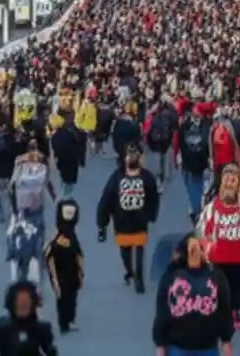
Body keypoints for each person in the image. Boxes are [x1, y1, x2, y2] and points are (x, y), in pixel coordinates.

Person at [197, 162, 240, 331]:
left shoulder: (236, 205)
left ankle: (230, 311)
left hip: (231, 255)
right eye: (226, 180)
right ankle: (227, 311)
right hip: (227, 255)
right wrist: (204, 247)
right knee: (226, 284)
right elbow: (201, 228)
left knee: (230, 283)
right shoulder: (217, 206)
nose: (228, 184)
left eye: (232, 181)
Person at [152, 233, 235, 356]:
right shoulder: (171, 278)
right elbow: (163, 312)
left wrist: (226, 340)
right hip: (186, 345)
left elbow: (224, 312)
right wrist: (160, 343)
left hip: (198, 346)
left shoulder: (216, 277)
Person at [97, 143, 160, 294]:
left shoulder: (118, 177)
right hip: (132, 219)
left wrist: (102, 223)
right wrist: (151, 214)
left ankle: (135, 275)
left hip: (125, 220)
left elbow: (107, 199)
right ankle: (133, 273)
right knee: (132, 250)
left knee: (132, 250)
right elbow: (153, 197)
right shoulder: (144, 176)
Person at [0, 280, 59, 355]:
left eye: (26, 303)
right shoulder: (0, 328)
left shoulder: (41, 329)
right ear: (11, 304)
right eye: (19, 303)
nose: (23, 306)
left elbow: (49, 350)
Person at [43, 199, 85, 334]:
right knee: (65, 295)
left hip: (67, 270)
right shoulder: (64, 237)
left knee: (67, 295)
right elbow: (76, 254)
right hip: (64, 270)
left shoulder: (62, 236)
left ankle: (67, 321)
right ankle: (65, 321)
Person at [11, 140, 57, 242]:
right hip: (37, 200)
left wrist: (13, 202)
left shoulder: (19, 160)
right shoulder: (43, 160)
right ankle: (41, 242)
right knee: (39, 222)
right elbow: (47, 181)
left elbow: (13, 182)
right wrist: (54, 196)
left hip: (22, 201)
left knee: (22, 222)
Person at [175, 109, 212, 223]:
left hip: (189, 163)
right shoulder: (207, 126)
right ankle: (200, 207)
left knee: (192, 187)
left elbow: (178, 143)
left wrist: (178, 157)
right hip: (202, 162)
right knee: (200, 186)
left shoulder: (183, 127)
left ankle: (197, 211)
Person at [49, 115, 81, 199]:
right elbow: (77, 145)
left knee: (64, 178)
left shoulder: (54, 137)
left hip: (62, 161)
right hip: (72, 160)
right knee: (71, 180)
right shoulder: (70, 133)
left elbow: (55, 150)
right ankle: (67, 195)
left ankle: (64, 193)